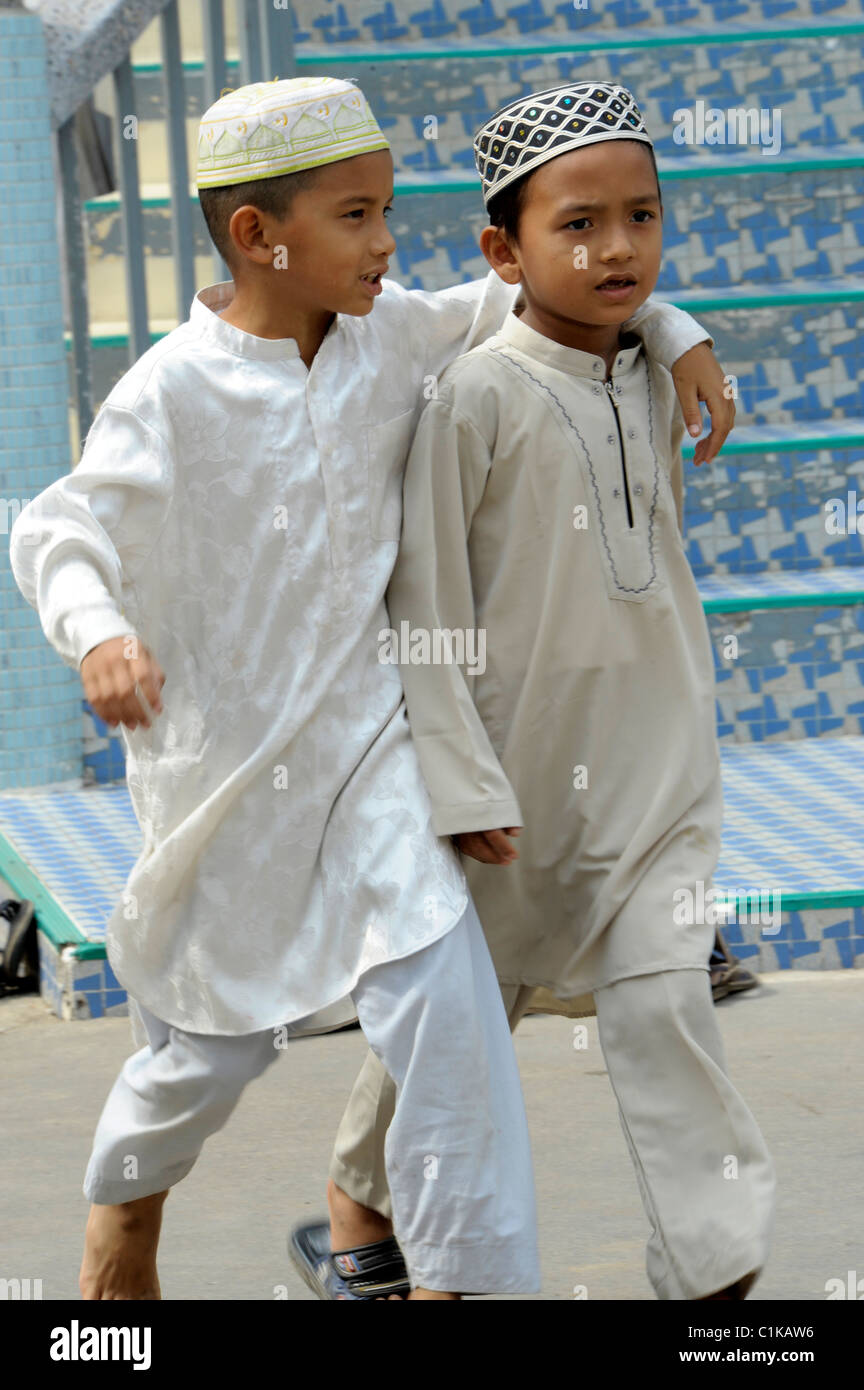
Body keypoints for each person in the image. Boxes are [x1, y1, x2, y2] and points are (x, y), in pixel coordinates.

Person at [10, 75, 732, 1302]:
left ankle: (462, 1283)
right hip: (229, 785)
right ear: (258, 235)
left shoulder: (393, 328)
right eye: (358, 215)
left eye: (389, 208)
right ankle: (122, 1220)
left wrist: (676, 332)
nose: (391, 241)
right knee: (206, 1056)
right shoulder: (171, 393)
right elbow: (59, 531)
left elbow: (548, 283)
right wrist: (97, 638)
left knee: (452, 1027)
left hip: (379, 761)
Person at [305, 81, 776, 1302]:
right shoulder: (474, 399)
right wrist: (459, 780)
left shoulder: (653, 373)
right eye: (577, 225)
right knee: (462, 1015)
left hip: (661, 772)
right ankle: (360, 1187)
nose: (616, 248)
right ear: (503, 253)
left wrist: (674, 331)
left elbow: (633, 310)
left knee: (670, 1012)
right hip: (513, 783)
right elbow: (427, 609)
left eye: (641, 218)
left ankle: (716, 1278)